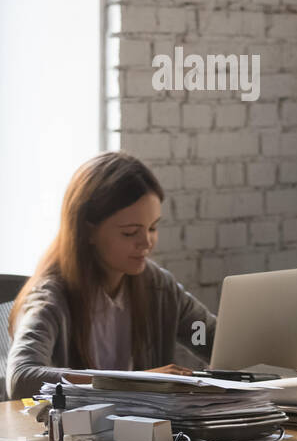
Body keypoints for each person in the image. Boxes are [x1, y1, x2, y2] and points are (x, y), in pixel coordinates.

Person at [6, 152, 216, 401]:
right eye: (130, 233)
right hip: (76, 437)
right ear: (88, 231)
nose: (146, 243)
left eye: (153, 227)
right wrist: (134, 382)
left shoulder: (158, 288)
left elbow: (204, 337)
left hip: (146, 435)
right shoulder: (51, 297)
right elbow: (22, 377)